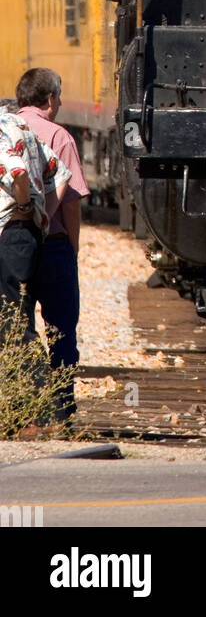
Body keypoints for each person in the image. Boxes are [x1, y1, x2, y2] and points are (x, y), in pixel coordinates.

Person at [16, 69, 89, 418]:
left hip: (13, 245)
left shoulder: (7, 131)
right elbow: (71, 201)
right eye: (58, 98)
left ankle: (26, 406)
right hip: (54, 245)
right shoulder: (60, 136)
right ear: (49, 100)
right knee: (61, 331)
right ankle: (62, 409)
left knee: (18, 326)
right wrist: (73, 248)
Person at [0, 105, 72, 339]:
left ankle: (32, 375)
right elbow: (60, 173)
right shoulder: (21, 126)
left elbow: (17, 172)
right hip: (28, 233)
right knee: (22, 313)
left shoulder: (0, 132)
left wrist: (24, 206)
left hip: (10, 234)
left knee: (14, 325)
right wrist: (44, 217)